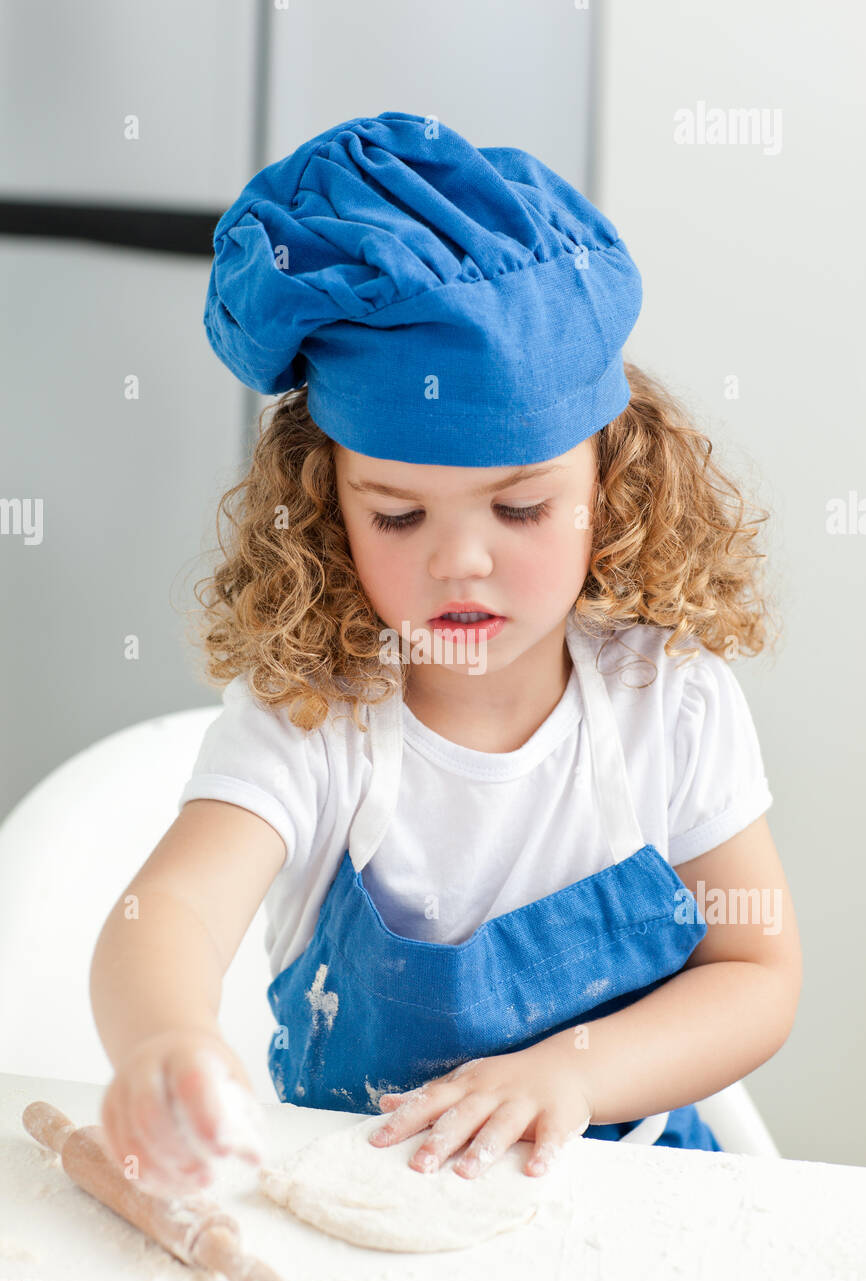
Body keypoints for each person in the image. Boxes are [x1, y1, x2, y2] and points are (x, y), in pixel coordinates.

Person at [90, 112, 801, 1194]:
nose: (458, 563)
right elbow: (169, 913)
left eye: (518, 509)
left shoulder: (670, 698)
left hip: (641, 1204)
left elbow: (754, 971)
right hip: (366, 1206)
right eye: (396, 517)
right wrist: (161, 1045)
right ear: (326, 505)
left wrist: (568, 1072)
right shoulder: (313, 713)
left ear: (608, 490)